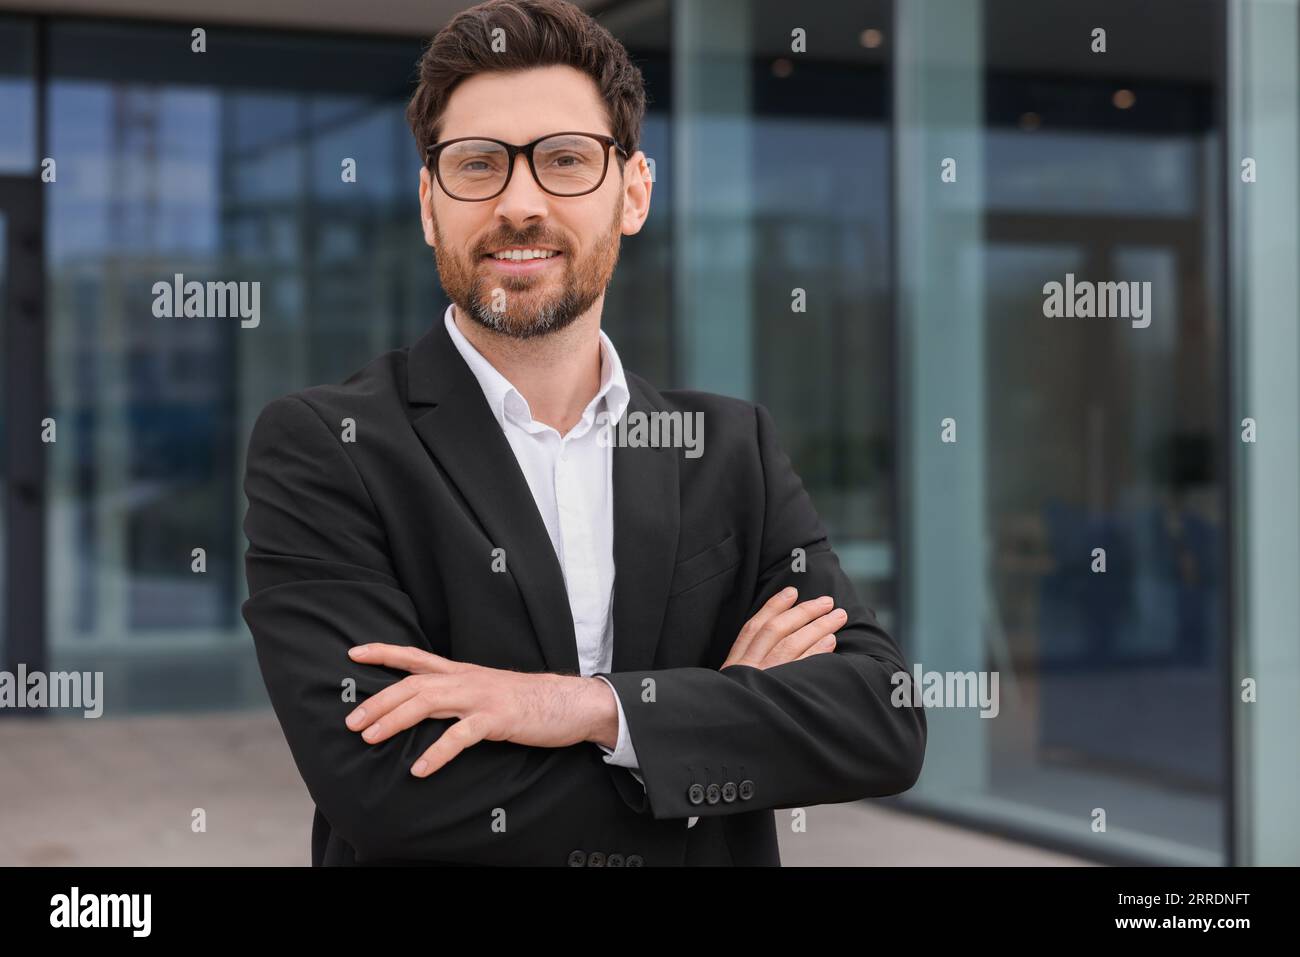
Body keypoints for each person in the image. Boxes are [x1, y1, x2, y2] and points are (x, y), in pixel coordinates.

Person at [241, 0, 926, 866]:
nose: (519, 202)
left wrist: (589, 708)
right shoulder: (324, 445)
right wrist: (708, 725)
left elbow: (882, 719)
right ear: (428, 202)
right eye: (477, 163)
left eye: (565, 160)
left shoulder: (729, 449)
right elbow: (391, 793)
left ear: (633, 192)